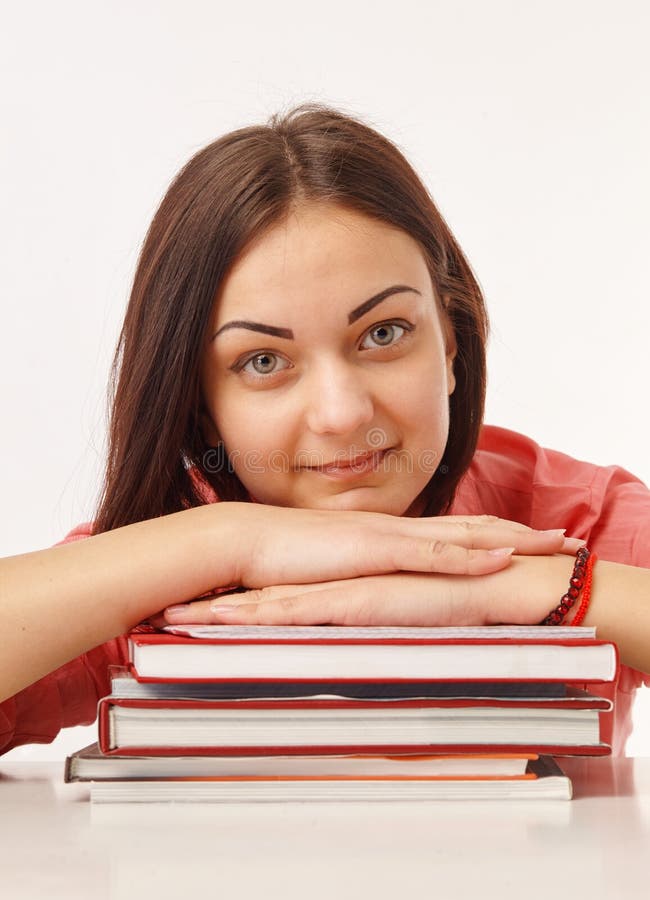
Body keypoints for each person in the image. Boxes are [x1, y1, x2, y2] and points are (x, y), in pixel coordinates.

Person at [1, 103, 649, 757]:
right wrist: (232, 541)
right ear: (200, 407)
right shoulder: (162, 556)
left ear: (451, 343)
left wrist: (544, 586)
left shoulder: (573, 519)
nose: (342, 414)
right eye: (263, 362)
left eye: (383, 333)